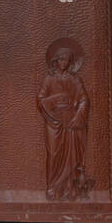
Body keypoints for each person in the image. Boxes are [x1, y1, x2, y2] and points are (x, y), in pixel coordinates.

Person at [36, 38, 92, 200]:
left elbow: (84, 99)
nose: (63, 63)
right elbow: (40, 99)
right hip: (54, 123)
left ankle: (69, 188)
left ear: (70, 62)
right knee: (54, 155)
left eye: (67, 60)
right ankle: (52, 187)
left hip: (71, 122)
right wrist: (55, 100)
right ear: (55, 61)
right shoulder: (49, 79)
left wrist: (77, 116)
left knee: (72, 155)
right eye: (60, 59)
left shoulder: (75, 80)